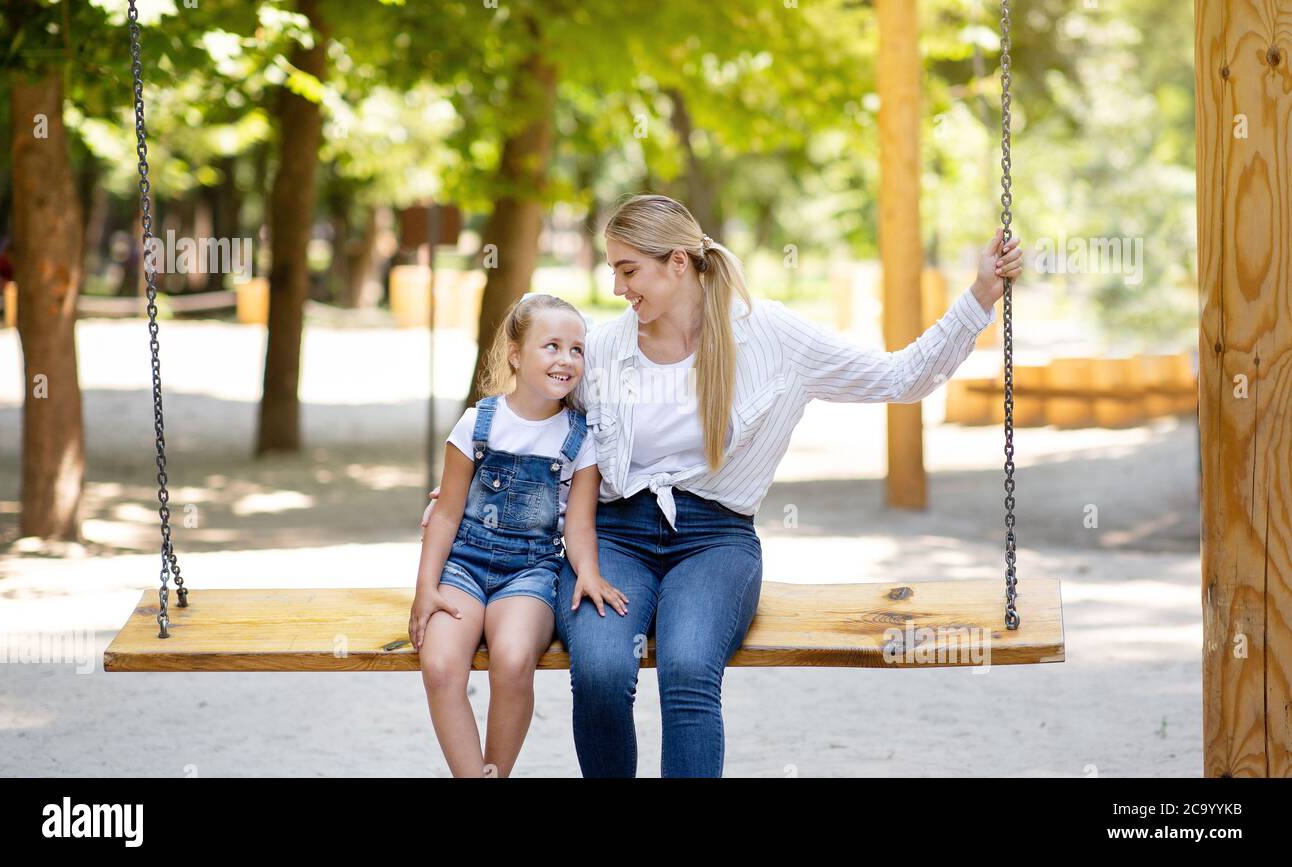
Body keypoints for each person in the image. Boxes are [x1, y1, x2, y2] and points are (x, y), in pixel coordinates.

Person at [424, 194, 1024, 777]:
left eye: (629, 270)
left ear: (677, 263)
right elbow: (532, 418)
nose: (617, 288)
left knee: (687, 666)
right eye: (614, 271)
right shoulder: (602, 348)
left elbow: (901, 376)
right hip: (616, 536)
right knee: (603, 669)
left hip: (715, 540)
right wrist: (479, 495)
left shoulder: (771, 337)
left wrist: (979, 296)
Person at [408, 292, 618, 777]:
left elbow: (581, 525)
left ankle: (496, 769)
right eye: (552, 346)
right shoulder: (478, 421)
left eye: (577, 349)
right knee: (439, 665)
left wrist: (586, 571)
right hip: (463, 563)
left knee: (514, 656)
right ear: (516, 354)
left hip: (530, 571)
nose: (566, 358)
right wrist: (426, 587)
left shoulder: (579, 438)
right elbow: (445, 515)